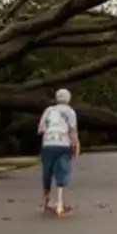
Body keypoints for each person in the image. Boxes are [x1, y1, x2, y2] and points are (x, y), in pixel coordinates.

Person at [38, 88, 80, 217]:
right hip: (63, 144)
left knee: (47, 171)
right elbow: (72, 130)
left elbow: (41, 129)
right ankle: (60, 205)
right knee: (62, 172)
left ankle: (46, 202)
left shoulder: (48, 110)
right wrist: (76, 145)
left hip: (48, 144)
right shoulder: (70, 112)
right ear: (68, 99)